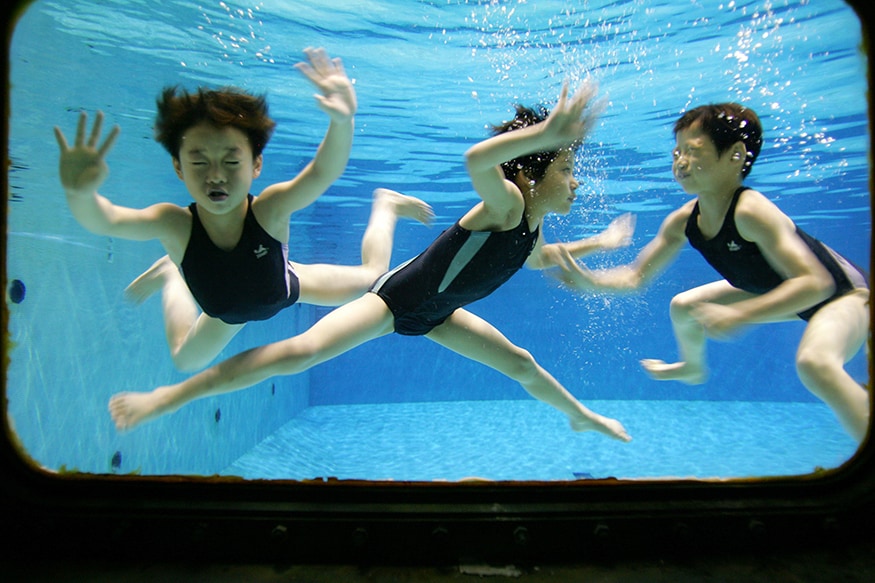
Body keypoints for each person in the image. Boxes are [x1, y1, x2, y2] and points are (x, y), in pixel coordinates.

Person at [108, 82, 635, 442]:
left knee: (521, 363)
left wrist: (598, 245)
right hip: (396, 300)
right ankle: (168, 397)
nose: (575, 182)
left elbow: (535, 258)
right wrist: (546, 135)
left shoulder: (530, 227)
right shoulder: (508, 205)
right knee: (301, 352)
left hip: (436, 315)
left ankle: (580, 416)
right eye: (566, 168)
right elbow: (477, 159)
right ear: (531, 173)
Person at [54, 48, 433, 372]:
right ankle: (172, 274)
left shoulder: (270, 209)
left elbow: (322, 172)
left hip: (286, 286)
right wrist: (80, 193)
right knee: (185, 360)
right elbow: (107, 220)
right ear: (178, 168)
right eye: (199, 162)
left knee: (375, 276)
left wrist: (342, 121)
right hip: (225, 310)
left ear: (256, 165)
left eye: (231, 162)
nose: (216, 175)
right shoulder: (173, 224)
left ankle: (385, 205)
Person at [554, 103, 870, 442]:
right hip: (780, 292)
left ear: (735, 155)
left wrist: (742, 314)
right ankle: (692, 368)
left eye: (693, 151)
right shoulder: (683, 221)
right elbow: (636, 277)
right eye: (677, 152)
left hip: (845, 296)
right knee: (683, 307)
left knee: (815, 364)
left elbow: (817, 283)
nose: (680, 162)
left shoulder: (750, 211)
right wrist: (590, 281)